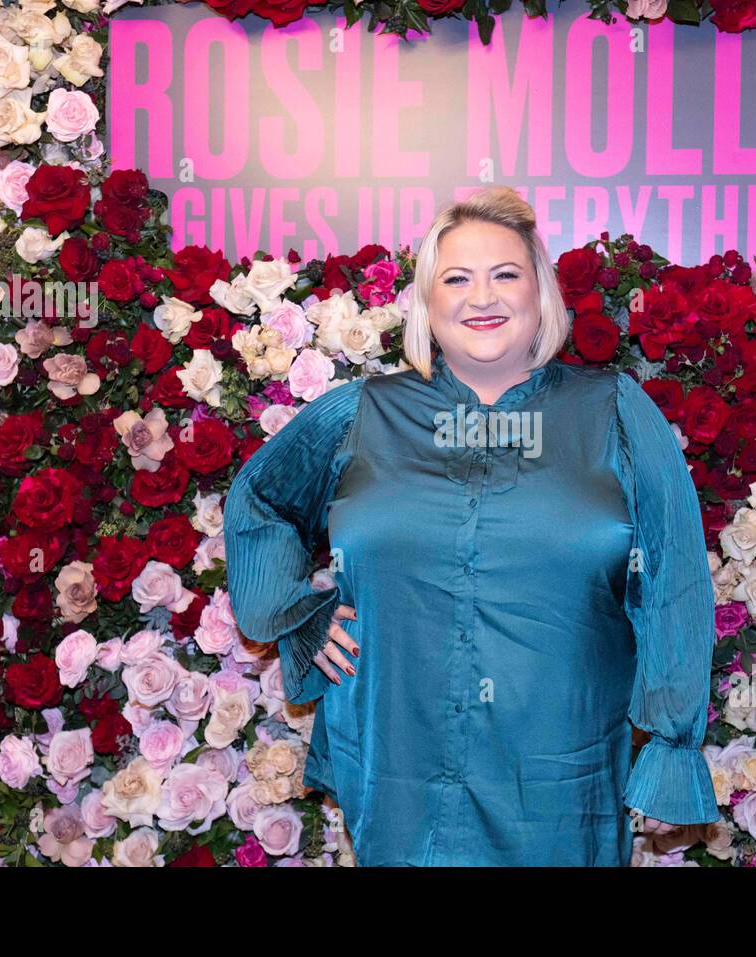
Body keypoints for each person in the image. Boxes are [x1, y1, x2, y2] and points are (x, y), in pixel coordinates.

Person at [223, 185, 720, 866]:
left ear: (540, 294)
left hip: (561, 787)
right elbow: (261, 503)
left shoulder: (615, 413)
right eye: (456, 279)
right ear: (427, 304)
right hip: (399, 774)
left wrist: (669, 745)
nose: (480, 297)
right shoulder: (361, 415)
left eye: (505, 275)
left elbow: (674, 581)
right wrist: (296, 615)